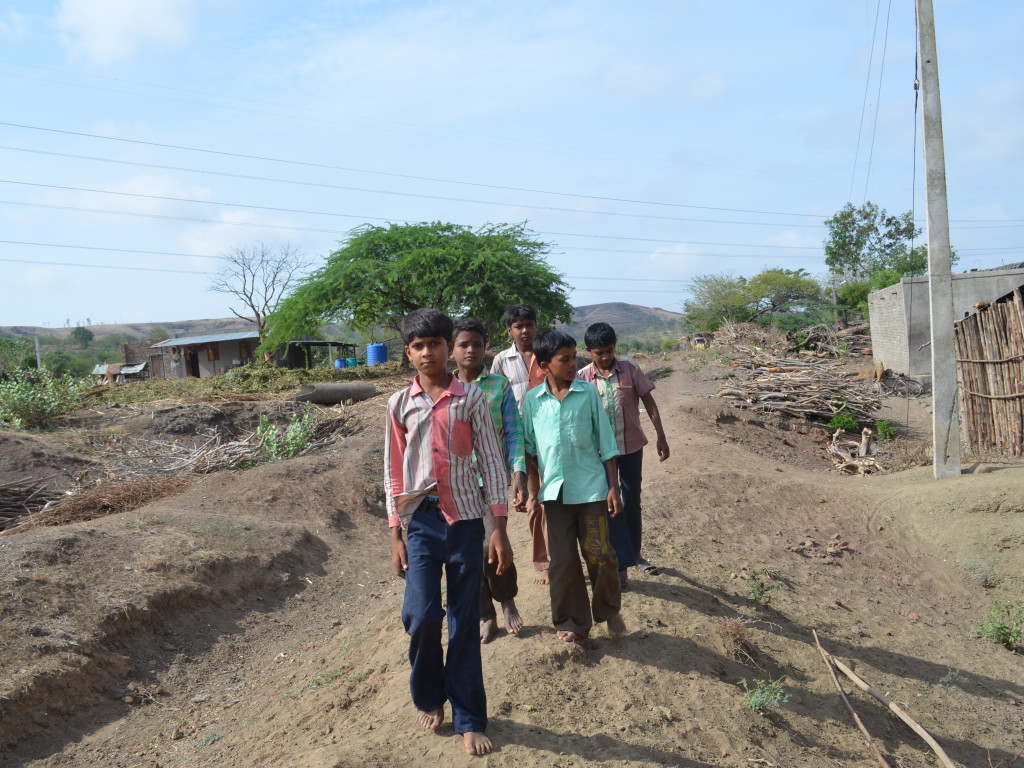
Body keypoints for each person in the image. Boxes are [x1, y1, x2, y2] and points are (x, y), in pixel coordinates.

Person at [384, 308, 512, 756]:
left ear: (447, 347)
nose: (427, 353)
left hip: (466, 520)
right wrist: (396, 534)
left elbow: (492, 461)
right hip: (420, 521)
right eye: (418, 346)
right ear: (408, 353)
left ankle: (470, 717)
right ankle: (429, 695)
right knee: (421, 615)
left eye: (435, 344)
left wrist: (499, 528)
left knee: (462, 620)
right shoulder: (399, 404)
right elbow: (393, 472)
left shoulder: (470, 399)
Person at [521, 329, 626, 644]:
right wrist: (527, 488)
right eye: (564, 359)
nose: (573, 364)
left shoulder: (588, 393)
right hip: (555, 494)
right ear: (544, 366)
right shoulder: (533, 401)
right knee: (563, 562)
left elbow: (606, 442)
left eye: (574, 357)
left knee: (600, 553)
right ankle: (573, 622)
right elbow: (528, 449)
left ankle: (609, 610)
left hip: (591, 488)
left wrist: (613, 487)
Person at [450, 317, 528, 643]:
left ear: (486, 348)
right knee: (467, 552)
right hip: (456, 484)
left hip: (491, 482)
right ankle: (486, 613)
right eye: (464, 345)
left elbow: (513, 433)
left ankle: (507, 600)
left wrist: (518, 473)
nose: (471, 350)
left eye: (478, 345)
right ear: (451, 349)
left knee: (491, 544)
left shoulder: (499, 386)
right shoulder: (445, 390)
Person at [578, 322, 670, 584]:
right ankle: (619, 561)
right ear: (589, 351)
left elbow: (648, 401)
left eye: (609, 351)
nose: (605, 357)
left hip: (630, 447)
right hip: (600, 453)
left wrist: (661, 436)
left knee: (631, 499)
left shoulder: (630, 368)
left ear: (615, 346)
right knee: (610, 503)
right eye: (599, 353)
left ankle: (636, 554)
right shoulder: (582, 378)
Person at [490, 304, 550, 584]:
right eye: (518, 326)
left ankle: (562, 557)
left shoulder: (547, 353)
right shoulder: (502, 360)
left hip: (550, 436)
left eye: (529, 324)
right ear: (509, 331)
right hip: (521, 440)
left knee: (556, 499)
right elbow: (495, 400)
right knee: (534, 501)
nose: (525, 330)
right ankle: (543, 562)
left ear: (536, 325)